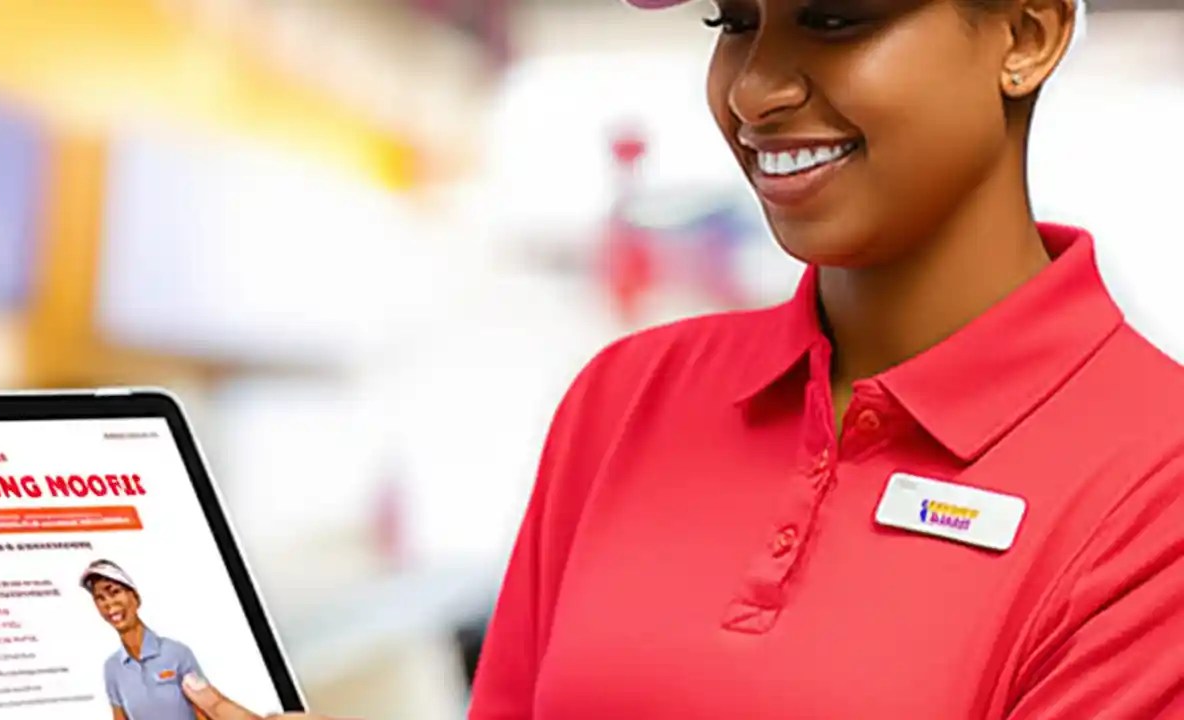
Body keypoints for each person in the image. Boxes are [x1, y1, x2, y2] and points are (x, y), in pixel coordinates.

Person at [464, 0, 1184, 718]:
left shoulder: (1159, 485)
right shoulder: (626, 398)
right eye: (735, 23)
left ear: (1027, 36)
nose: (753, 89)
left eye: (836, 19)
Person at [82, 559, 209, 720]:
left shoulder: (177, 654)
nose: (109, 603)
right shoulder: (112, 668)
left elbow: (205, 712)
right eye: (100, 598)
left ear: (135, 597)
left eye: (114, 592)